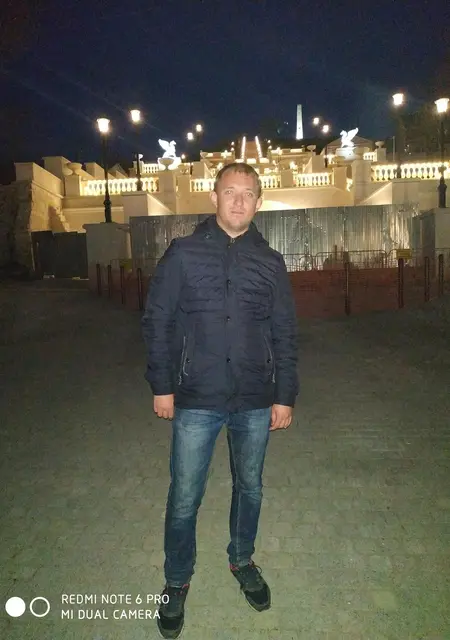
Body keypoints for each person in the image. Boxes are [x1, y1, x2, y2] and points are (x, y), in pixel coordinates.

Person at [142, 161, 299, 639]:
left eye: (247, 193)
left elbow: (285, 331)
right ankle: (176, 579)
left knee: (250, 487)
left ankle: (241, 559)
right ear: (213, 197)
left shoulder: (270, 261)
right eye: (230, 191)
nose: (238, 201)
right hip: (196, 397)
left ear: (258, 202)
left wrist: (285, 394)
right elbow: (157, 320)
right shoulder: (184, 253)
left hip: (254, 396)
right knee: (184, 496)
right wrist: (162, 384)